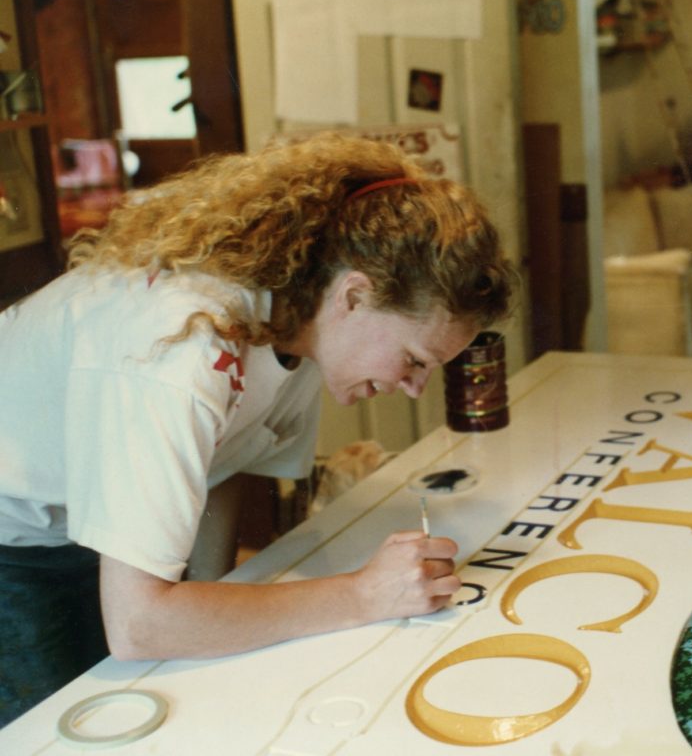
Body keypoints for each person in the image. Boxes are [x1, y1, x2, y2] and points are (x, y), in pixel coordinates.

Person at [0, 132, 516, 726]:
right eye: (414, 359)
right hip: (14, 534)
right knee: (61, 728)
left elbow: (222, 465)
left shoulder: (297, 321)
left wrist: (210, 596)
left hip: (84, 522)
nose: (416, 386)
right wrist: (361, 595)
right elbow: (139, 624)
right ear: (355, 295)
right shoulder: (180, 348)